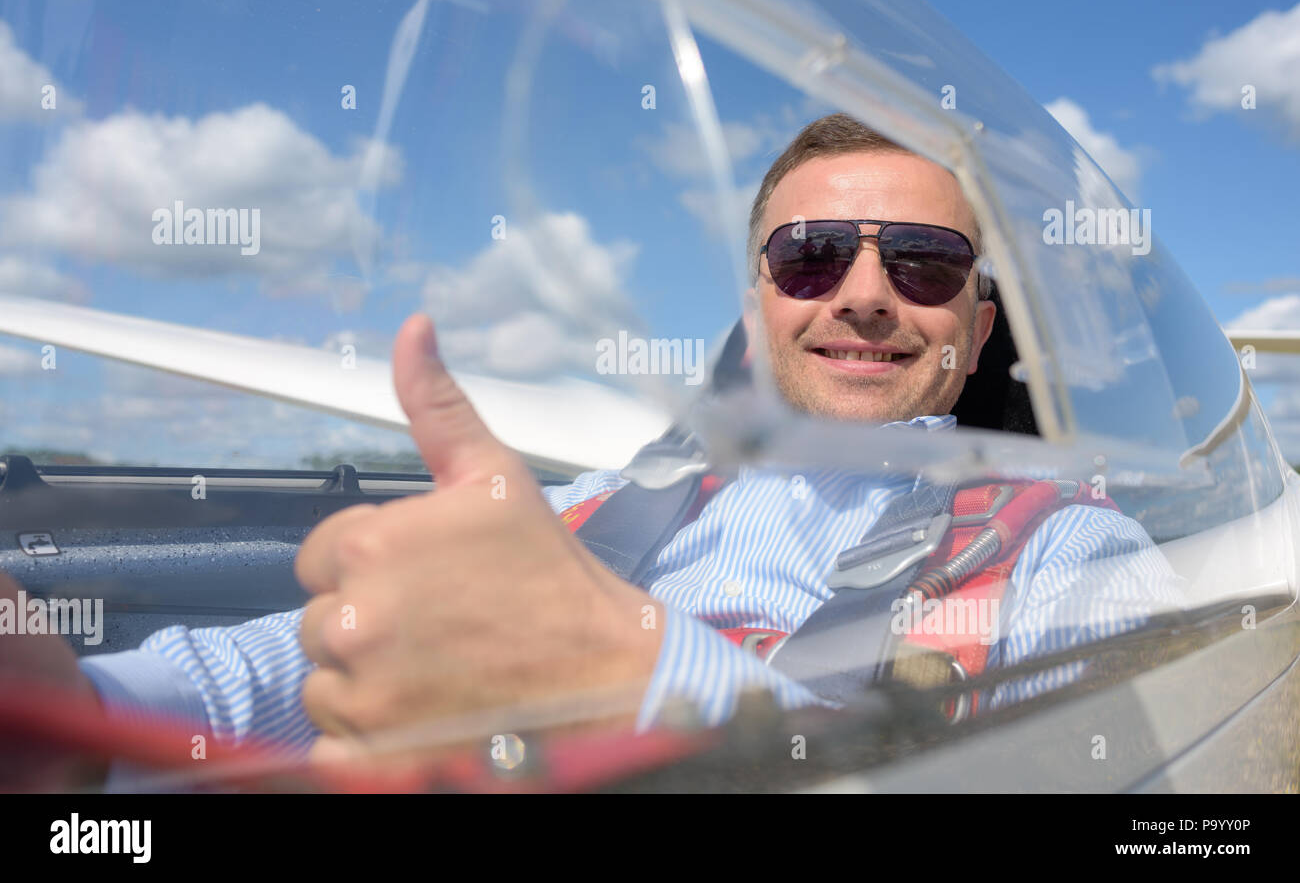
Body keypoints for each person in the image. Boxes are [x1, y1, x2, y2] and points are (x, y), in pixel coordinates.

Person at [0, 114, 1183, 769]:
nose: (865, 295)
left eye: (922, 264)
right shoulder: (627, 495)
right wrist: (92, 702)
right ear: (761, 303)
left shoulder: (1075, 558)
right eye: (811, 256)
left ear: (973, 330)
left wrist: (650, 685)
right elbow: (336, 650)